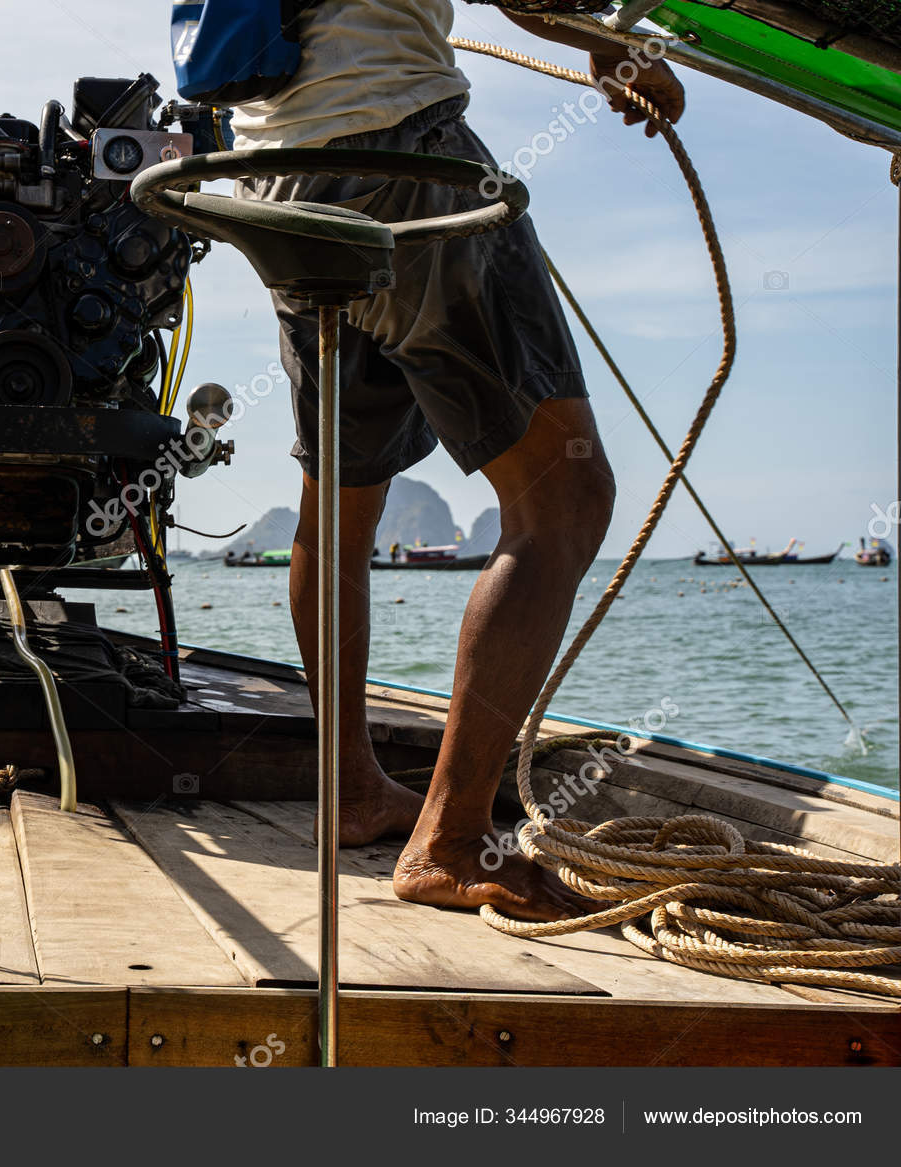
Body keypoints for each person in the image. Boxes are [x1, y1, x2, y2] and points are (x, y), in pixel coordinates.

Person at [232, 1, 684, 921]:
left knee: (340, 504)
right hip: (404, 156)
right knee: (563, 499)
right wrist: (617, 45)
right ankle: (448, 839)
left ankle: (353, 789)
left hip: (276, 188)